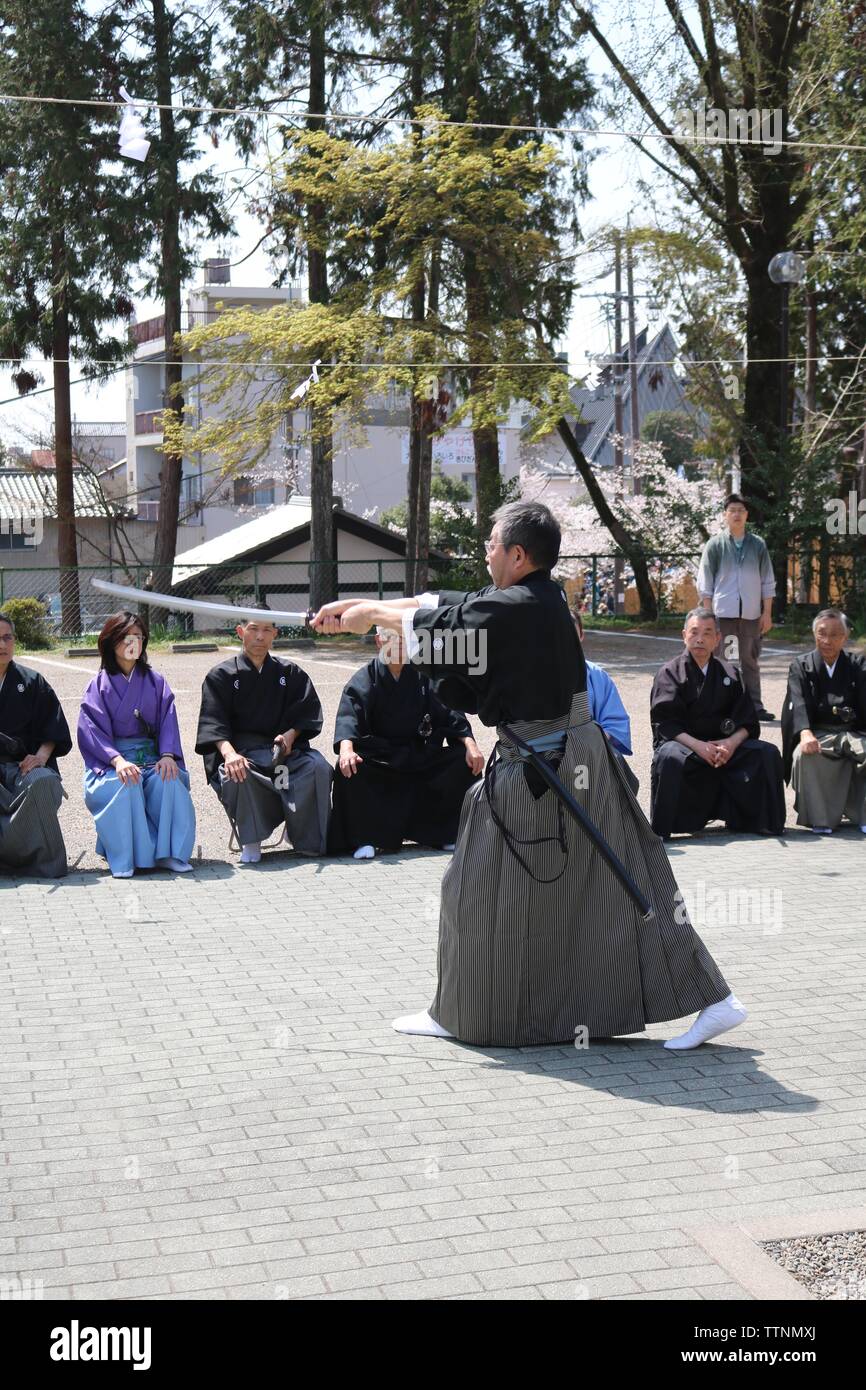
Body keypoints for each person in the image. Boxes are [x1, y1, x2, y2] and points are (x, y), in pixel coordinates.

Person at [313, 502, 747, 1052]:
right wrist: (363, 605)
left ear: (518, 555)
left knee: (486, 887)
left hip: (552, 768)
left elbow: (449, 625)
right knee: (614, 885)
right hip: (564, 762)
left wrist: (370, 617)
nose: (487, 552)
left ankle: (462, 1011)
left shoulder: (519, 608)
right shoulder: (535, 600)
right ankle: (707, 1000)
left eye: (492, 544)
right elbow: (448, 607)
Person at [329, 627, 484, 859]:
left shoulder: (425, 675)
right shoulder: (365, 678)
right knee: (351, 769)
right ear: (379, 641)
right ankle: (365, 837)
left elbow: (451, 714)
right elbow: (349, 717)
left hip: (420, 755)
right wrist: (346, 749)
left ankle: (445, 834)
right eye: (392, 638)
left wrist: (471, 744)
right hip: (383, 761)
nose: (399, 644)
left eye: (404, 639)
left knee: (462, 762)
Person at [196, 612, 330, 863]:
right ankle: (251, 839)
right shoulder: (221, 676)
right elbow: (213, 723)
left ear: (275, 635)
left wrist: (291, 736)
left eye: (267, 630)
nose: (260, 636)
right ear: (240, 632)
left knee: (317, 767)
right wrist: (229, 754)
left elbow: (307, 712)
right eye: (254, 629)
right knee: (237, 773)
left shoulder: (289, 672)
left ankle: (301, 832)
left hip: (285, 753)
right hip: (243, 754)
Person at [78, 611, 196, 878]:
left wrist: (167, 755)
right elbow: (92, 730)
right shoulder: (97, 686)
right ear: (111, 641)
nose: (133, 643)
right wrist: (118, 760)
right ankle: (127, 858)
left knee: (169, 780)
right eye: (125, 637)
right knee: (126, 784)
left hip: (152, 756)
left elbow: (168, 719)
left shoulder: (156, 682)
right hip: (111, 762)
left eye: (138, 637)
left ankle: (170, 854)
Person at [650, 608, 785, 839]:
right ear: (684, 635)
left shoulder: (730, 672)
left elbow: (747, 721)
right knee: (669, 757)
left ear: (717, 639)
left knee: (767, 753)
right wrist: (699, 747)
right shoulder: (669, 673)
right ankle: (665, 827)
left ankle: (763, 822)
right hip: (686, 746)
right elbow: (665, 724)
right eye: (694, 632)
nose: (700, 639)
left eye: (707, 633)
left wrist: (731, 744)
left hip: (724, 748)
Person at [0, 610, 71, 878]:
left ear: (15, 641)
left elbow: (53, 728)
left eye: (7, 638)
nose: (2, 645)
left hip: (24, 767)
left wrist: (40, 758)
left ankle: (43, 863)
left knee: (44, 782)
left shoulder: (32, 682)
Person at [782, 609, 866, 834]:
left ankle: (864, 815)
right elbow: (798, 703)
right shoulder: (801, 665)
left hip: (853, 732)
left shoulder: (858, 664)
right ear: (814, 634)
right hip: (819, 732)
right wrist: (805, 732)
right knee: (805, 754)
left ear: (845, 637)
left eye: (835, 634)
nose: (827, 641)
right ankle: (820, 818)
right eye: (822, 634)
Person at [697, 494, 776, 719]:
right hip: (725, 615)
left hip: (751, 615)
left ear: (747, 515)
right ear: (725, 514)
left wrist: (767, 613)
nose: (737, 514)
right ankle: (725, 705)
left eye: (741, 510)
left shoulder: (757, 545)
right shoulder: (715, 545)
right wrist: (708, 615)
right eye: (732, 510)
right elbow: (705, 582)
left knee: (750, 660)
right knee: (726, 660)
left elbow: (767, 580)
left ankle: (755, 706)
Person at [572, 607, 638, 793]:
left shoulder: (597, 676)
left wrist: (592, 744)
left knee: (618, 766)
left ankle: (610, 821)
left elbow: (614, 723)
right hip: (552, 753)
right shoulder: (536, 677)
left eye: (573, 633)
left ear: (582, 635)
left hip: (594, 750)